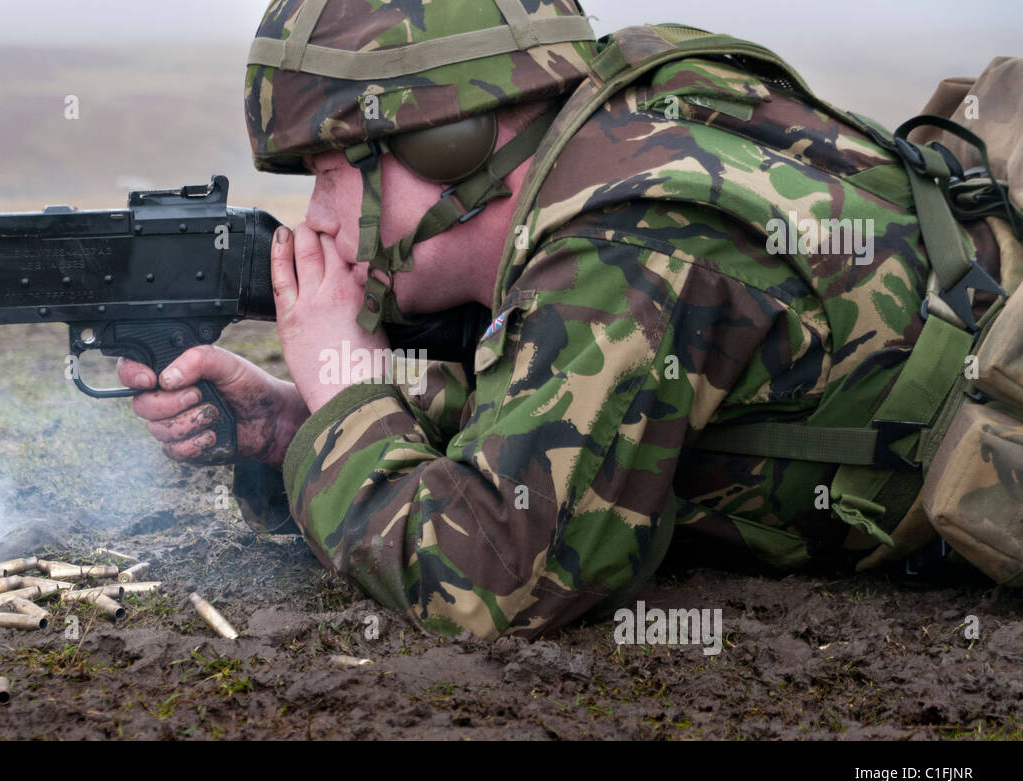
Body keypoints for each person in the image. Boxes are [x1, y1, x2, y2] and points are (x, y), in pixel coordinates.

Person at [117, 0, 1021, 639]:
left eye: (328, 174)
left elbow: (492, 582)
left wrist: (350, 387)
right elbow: (538, 408)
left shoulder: (620, 247)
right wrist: (299, 423)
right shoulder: (619, 130)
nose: (314, 218)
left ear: (446, 140)